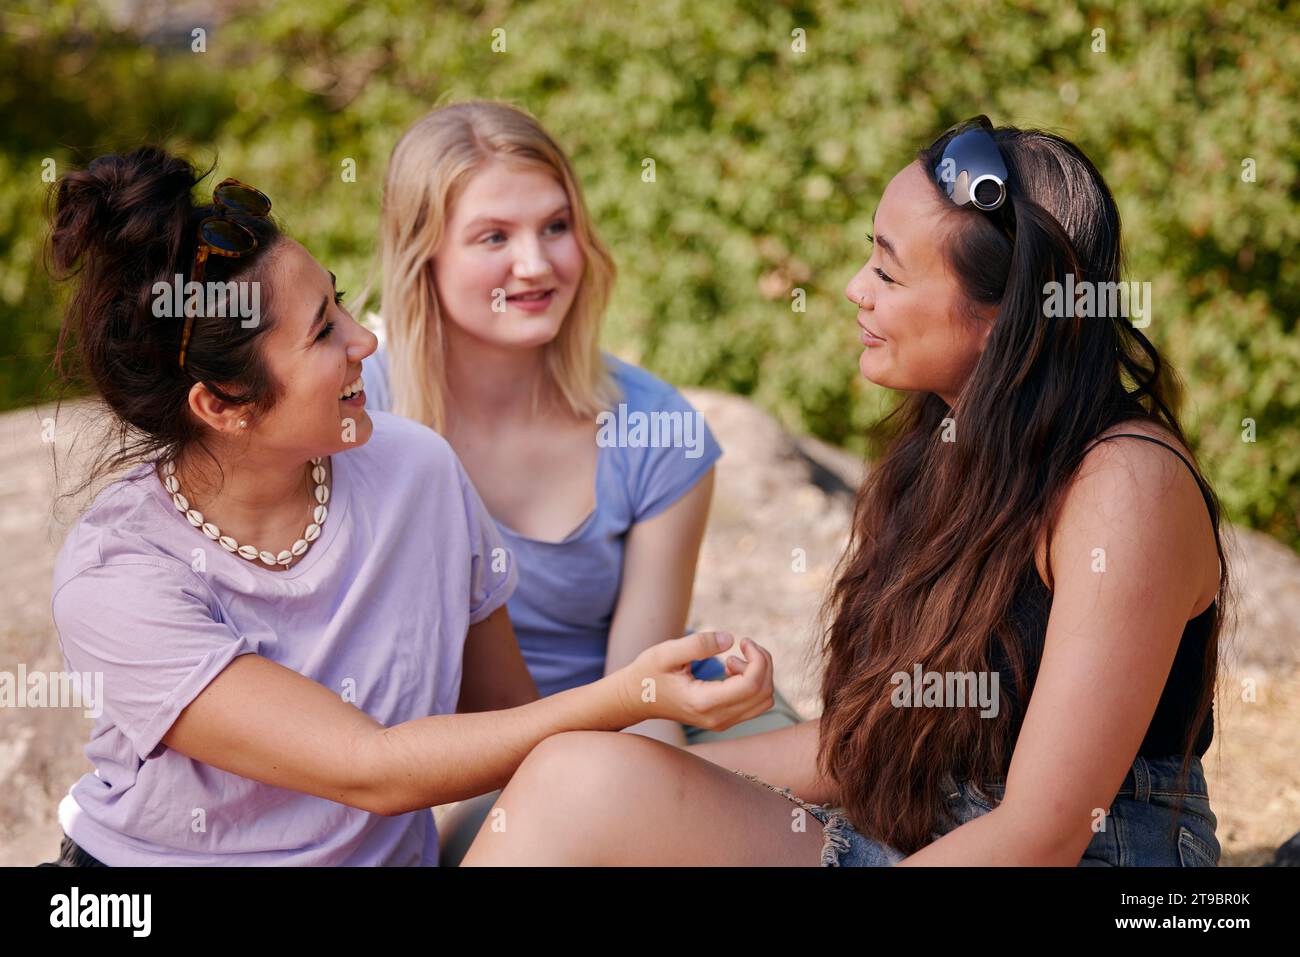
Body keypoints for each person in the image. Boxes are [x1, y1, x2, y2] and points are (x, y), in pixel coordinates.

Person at [460, 117, 1231, 867]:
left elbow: (1040, 836)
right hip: (921, 833)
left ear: (1004, 323)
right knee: (577, 778)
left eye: (889, 273)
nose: (854, 288)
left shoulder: (1127, 487)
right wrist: (655, 787)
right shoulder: (950, 449)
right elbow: (869, 747)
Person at [36, 146, 773, 867]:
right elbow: (371, 768)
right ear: (223, 403)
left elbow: (506, 725)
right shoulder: (118, 576)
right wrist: (633, 692)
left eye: (340, 303)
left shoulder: (417, 469)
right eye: (324, 332)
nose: (363, 339)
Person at [360, 100, 802, 862]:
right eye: (493, 236)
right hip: (461, 767)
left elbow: (648, 707)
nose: (536, 265)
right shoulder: (356, 404)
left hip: (648, 733)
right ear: (421, 253)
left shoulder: (657, 430)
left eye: (555, 227)